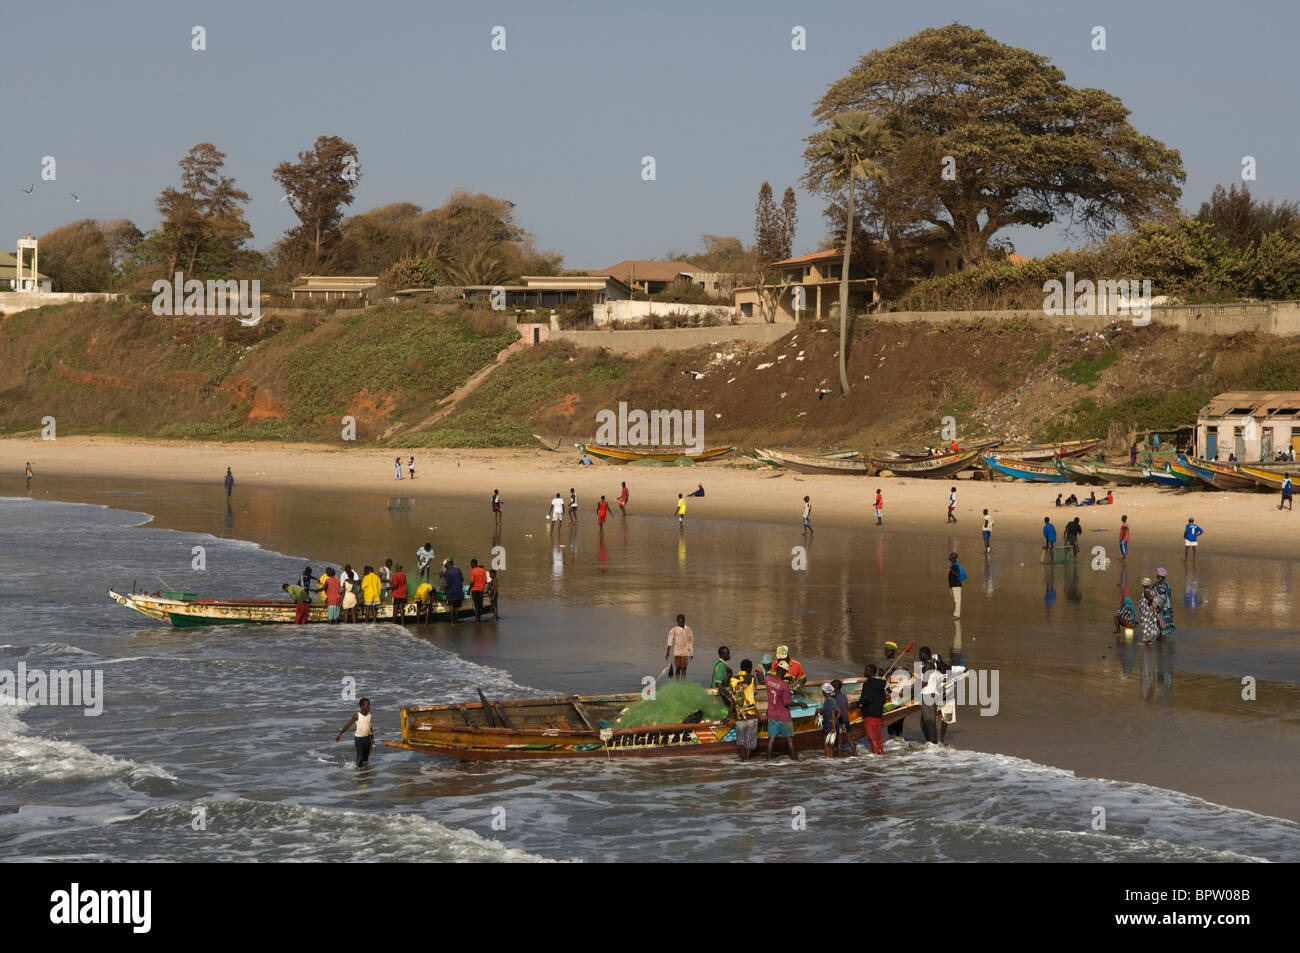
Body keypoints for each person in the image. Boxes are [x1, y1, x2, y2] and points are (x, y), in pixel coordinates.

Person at [764, 664, 797, 760]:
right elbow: (787, 703)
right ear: (784, 672)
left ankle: (768, 761)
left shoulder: (768, 680)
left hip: (772, 714)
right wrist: (800, 703)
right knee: (790, 740)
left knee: (771, 740)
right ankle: (795, 761)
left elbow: (765, 676)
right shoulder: (784, 685)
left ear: (777, 669)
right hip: (784, 715)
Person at [728, 661, 759, 761]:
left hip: (739, 715)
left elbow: (732, 700)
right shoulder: (752, 678)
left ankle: (743, 761)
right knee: (750, 741)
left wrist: (728, 716)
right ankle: (748, 761)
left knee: (741, 741)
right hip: (751, 714)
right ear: (749, 669)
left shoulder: (732, 680)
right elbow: (754, 693)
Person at [336, 698, 375, 768]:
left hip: (367, 739)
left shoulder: (369, 715)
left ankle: (365, 774)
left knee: (365, 759)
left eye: (369, 705)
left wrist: (372, 738)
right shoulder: (357, 716)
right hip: (359, 740)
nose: (369, 707)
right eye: (367, 705)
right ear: (362, 706)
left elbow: (369, 726)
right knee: (360, 758)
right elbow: (348, 726)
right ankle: (358, 774)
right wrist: (340, 734)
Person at [917, 647, 944, 744]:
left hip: (928, 694)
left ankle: (933, 745)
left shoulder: (929, 665)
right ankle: (930, 743)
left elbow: (924, 683)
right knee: (923, 723)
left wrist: (911, 690)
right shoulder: (930, 664)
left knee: (929, 722)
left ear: (924, 654)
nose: (919, 656)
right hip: (930, 694)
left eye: (920, 653)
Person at [859, 664, 887, 755]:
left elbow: (867, 699)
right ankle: (880, 754)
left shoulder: (867, 683)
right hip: (878, 713)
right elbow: (883, 699)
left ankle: (877, 758)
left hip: (869, 713)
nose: (864, 672)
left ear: (870, 672)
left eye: (865, 670)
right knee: (878, 737)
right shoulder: (881, 684)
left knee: (872, 738)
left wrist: (856, 703)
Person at [819, 683, 847, 757]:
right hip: (831, 723)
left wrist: (833, 724)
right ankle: (831, 759)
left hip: (829, 724)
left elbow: (835, 712)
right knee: (830, 744)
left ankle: (829, 758)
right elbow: (837, 711)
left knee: (826, 744)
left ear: (824, 692)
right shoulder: (831, 700)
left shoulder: (829, 700)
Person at [665, 614, 694, 679]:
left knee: (684, 669)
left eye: (682, 621)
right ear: (677, 621)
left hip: (685, 652)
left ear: (684, 620)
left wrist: (691, 652)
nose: (681, 622)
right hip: (677, 652)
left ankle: (682, 684)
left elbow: (691, 642)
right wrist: (667, 652)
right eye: (680, 621)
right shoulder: (673, 630)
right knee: (678, 668)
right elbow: (669, 641)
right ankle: (677, 684)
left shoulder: (689, 629)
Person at [1138, 577, 1164, 643]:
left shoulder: (1146, 592)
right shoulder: (1151, 591)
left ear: (1142, 585)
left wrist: (1150, 605)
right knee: (1151, 623)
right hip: (1151, 611)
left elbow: (1150, 598)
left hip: (1147, 611)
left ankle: (1147, 638)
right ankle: (1150, 639)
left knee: (1146, 623)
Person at [1153, 567, 1175, 634]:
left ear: (1159, 576)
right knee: (1161, 621)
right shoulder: (1164, 583)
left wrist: (1156, 586)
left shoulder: (1163, 584)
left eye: (1157, 574)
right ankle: (1161, 634)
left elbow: (1160, 592)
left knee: (1161, 620)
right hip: (1162, 605)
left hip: (1162, 606)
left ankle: (1161, 635)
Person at [444, 559, 464, 624]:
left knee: (451, 606)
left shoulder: (447, 572)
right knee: (456, 607)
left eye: (445, 565)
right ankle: (456, 620)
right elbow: (462, 580)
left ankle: (452, 622)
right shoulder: (458, 570)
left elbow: (448, 584)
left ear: (448, 564)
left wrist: (444, 589)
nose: (445, 567)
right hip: (459, 591)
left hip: (451, 592)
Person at [468, 558, 488, 622]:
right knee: (480, 605)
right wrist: (482, 587)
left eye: (471, 564)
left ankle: (477, 620)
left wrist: (469, 590)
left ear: (473, 564)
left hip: (474, 590)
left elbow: (472, 582)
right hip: (481, 590)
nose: (471, 566)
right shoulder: (482, 570)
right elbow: (485, 581)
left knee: (476, 606)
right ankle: (479, 618)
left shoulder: (472, 571)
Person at [948, 551, 966, 619]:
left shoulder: (955, 565)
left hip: (956, 586)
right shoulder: (954, 565)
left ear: (953, 558)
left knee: (957, 600)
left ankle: (957, 615)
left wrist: (951, 570)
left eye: (951, 556)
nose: (949, 557)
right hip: (954, 585)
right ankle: (956, 613)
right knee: (956, 599)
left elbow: (957, 574)